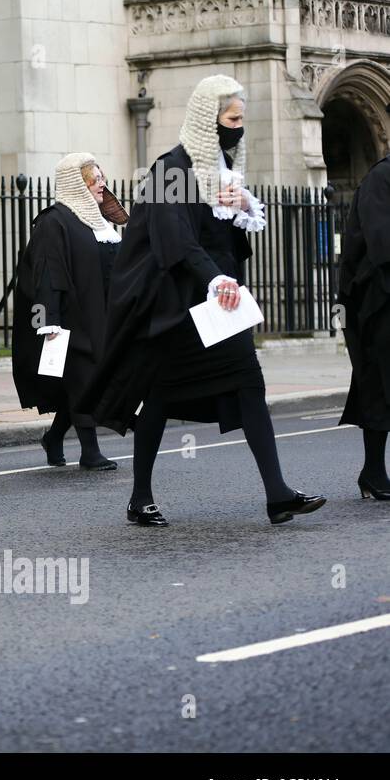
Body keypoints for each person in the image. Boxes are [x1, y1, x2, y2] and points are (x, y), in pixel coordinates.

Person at [78, 74, 324, 526]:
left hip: (217, 303)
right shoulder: (170, 169)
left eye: (240, 118)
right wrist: (214, 280)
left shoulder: (220, 171)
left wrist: (244, 207)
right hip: (176, 305)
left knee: (249, 381)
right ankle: (140, 497)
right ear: (208, 120)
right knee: (159, 398)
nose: (238, 126)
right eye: (231, 118)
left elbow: (221, 239)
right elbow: (175, 240)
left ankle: (277, 494)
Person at [12, 153, 127, 470]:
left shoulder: (99, 221)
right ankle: (90, 451)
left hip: (101, 314)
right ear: (77, 184)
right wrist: (49, 321)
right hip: (71, 316)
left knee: (80, 385)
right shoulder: (54, 221)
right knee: (83, 380)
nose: (102, 184)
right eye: (95, 180)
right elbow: (46, 273)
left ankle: (54, 437)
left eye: (101, 178)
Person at [336, 151, 390, 500]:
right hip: (377, 300)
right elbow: (380, 243)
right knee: (379, 384)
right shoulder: (381, 179)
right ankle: (373, 472)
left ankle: (372, 473)